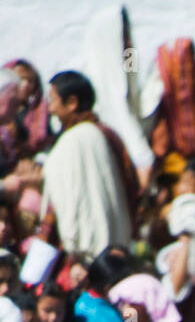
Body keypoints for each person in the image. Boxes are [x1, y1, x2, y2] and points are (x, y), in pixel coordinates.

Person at [41, 70, 134, 256]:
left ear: (72, 103)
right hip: (118, 249)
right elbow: (132, 186)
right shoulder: (108, 135)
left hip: (82, 255)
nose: (50, 109)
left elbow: (57, 203)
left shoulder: (69, 143)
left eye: (53, 100)